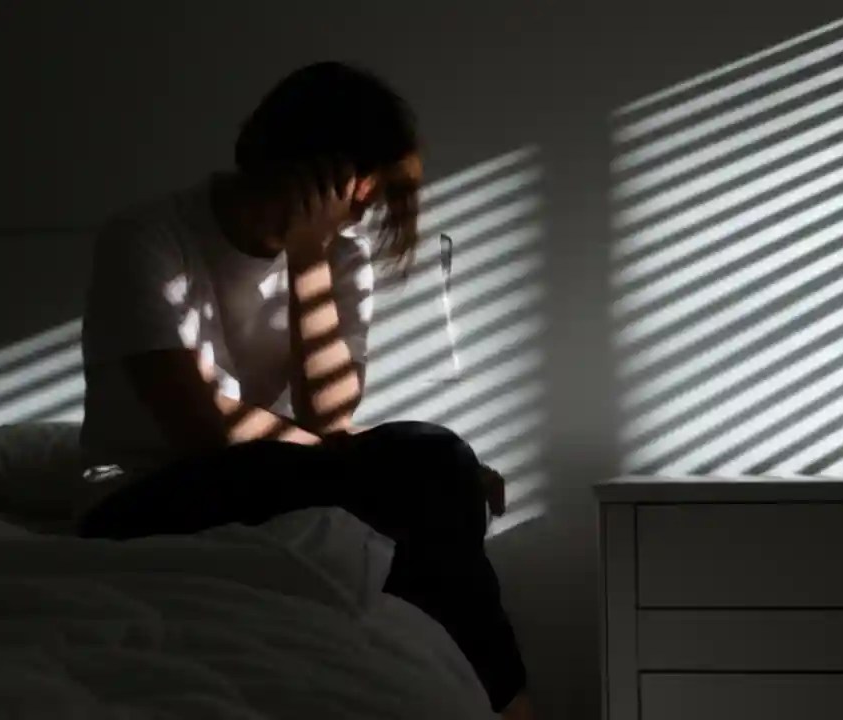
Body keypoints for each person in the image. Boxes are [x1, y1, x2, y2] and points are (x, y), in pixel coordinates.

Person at [75, 61, 533, 718]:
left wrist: (308, 257)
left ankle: (501, 699)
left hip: (271, 487)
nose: (368, 206)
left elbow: (328, 414)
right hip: (140, 498)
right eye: (366, 186)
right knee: (432, 463)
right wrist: (389, 465)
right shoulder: (146, 239)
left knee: (432, 466)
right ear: (346, 177)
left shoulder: (338, 256)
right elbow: (201, 429)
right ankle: (514, 705)